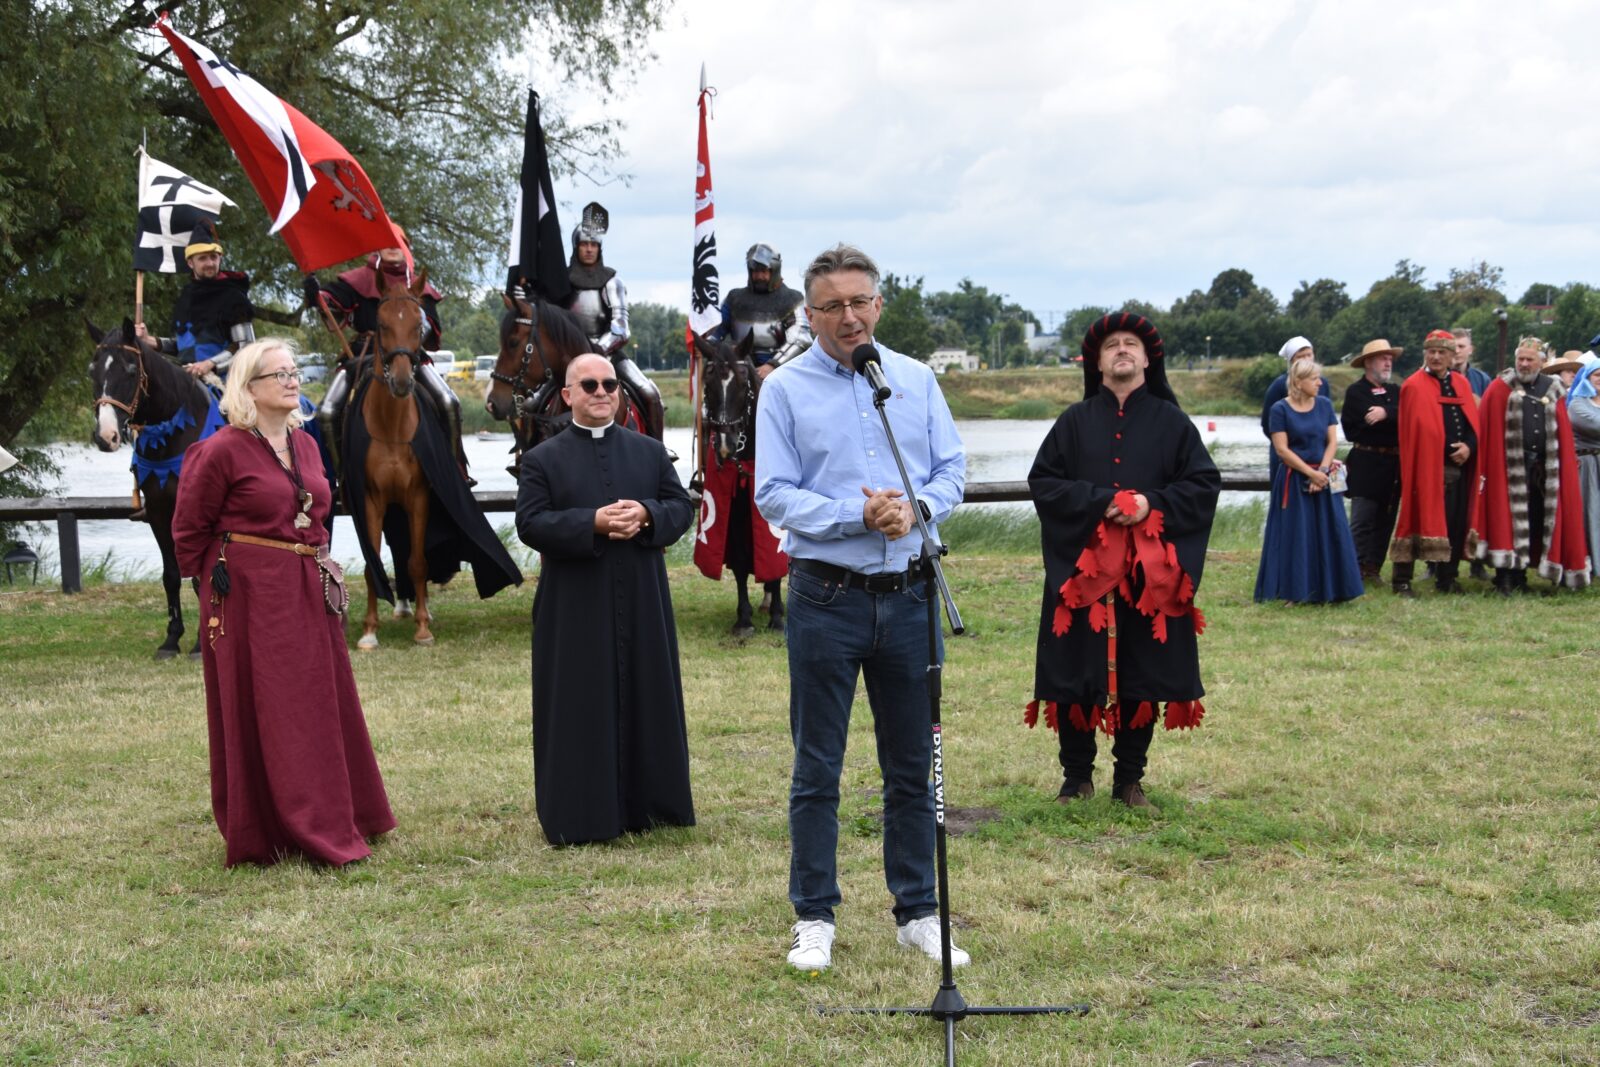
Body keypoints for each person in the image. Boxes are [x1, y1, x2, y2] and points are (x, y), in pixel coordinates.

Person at [754, 244, 968, 973]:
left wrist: (919, 509)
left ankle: (919, 911)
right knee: (819, 765)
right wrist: (857, 513)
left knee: (913, 764)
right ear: (809, 315)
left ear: (879, 305)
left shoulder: (913, 379)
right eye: (832, 306)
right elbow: (775, 494)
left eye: (860, 301)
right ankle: (814, 915)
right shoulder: (783, 391)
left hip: (910, 597)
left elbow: (952, 471)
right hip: (827, 598)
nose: (849, 316)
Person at [171, 339, 395, 867]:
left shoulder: (308, 445)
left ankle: (342, 812)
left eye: (295, 372)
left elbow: (319, 515)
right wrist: (219, 590)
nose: (294, 381)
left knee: (319, 700)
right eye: (280, 374)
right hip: (246, 596)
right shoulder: (221, 449)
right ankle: (277, 825)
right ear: (249, 388)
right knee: (271, 706)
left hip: (304, 586)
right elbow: (189, 532)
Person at [1026, 313, 1220, 808]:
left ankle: (1129, 780)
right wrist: (1100, 502)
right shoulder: (1073, 422)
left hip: (1145, 578)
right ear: (1097, 360)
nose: (1121, 351)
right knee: (1075, 672)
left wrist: (1151, 504)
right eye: (1111, 345)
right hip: (1083, 573)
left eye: (1130, 344)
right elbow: (1044, 483)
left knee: (1143, 670)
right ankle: (1076, 779)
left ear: (1148, 358)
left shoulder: (1172, 423)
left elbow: (1201, 485)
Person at [514, 353, 696, 846]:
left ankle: (654, 805)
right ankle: (581, 813)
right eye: (589, 385)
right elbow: (529, 524)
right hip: (573, 605)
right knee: (578, 702)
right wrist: (590, 522)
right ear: (568, 395)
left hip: (642, 597)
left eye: (610, 385)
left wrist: (648, 514)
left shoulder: (650, 452)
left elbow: (682, 507)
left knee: (647, 689)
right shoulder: (540, 460)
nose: (601, 392)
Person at [305, 236, 471, 483]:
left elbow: (431, 329)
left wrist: (409, 327)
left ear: (407, 249)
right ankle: (339, 476)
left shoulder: (417, 285)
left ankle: (453, 472)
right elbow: (331, 305)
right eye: (386, 240)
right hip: (363, 354)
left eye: (399, 241)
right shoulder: (358, 279)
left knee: (449, 402)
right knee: (328, 411)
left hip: (409, 356)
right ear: (376, 246)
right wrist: (316, 294)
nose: (393, 246)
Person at [1473, 337, 1591, 593]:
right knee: (1508, 521)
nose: (1524, 364)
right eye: (1520, 360)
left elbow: (1562, 431)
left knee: (1537, 520)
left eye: (1529, 360)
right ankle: (1505, 576)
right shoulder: (1499, 388)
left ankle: (1522, 576)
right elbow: (1487, 432)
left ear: (1542, 362)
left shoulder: (1554, 389)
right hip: (1507, 468)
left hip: (1543, 470)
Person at [1255, 358, 1364, 603]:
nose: (1319, 382)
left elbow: (1332, 442)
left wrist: (1322, 472)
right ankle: (1294, 590)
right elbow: (1282, 450)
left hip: (1324, 476)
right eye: (1314, 378)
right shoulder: (1280, 409)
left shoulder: (1324, 405)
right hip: (1294, 479)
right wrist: (1309, 473)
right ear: (1299, 381)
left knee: (1331, 529)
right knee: (1297, 533)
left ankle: (1335, 589)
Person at [564, 202, 666, 442]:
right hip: (567, 358)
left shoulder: (612, 281)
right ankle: (525, 455)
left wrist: (597, 350)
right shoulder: (562, 282)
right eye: (584, 245)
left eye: (594, 245)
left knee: (650, 394)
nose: (589, 249)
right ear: (576, 247)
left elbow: (621, 329)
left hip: (608, 355)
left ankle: (657, 450)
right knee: (529, 400)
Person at [1389, 330, 1480, 597]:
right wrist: (1441, 450)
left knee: (1454, 523)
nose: (1436, 357)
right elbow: (1416, 431)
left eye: (1442, 352)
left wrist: (1469, 447)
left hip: (1460, 468)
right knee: (1414, 519)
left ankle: (1447, 578)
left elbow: (1473, 424)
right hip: (1426, 468)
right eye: (1432, 352)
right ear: (1425, 354)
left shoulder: (1462, 385)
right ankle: (1401, 580)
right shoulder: (1413, 385)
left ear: (1453, 356)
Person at [135, 218, 255, 380]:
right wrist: (150, 341)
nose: (210, 263)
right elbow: (184, 346)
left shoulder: (233, 297)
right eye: (203, 258)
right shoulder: (186, 297)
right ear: (190, 263)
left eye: (214, 257)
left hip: (228, 383)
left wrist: (210, 364)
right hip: (187, 380)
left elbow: (246, 346)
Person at [1340, 339, 1403, 582]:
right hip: (1366, 461)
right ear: (1368, 363)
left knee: (1385, 519)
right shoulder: (1356, 392)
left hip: (1392, 464)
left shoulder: (1396, 391)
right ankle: (1353, 567)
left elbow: (1407, 413)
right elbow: (1354, 428)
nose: (1388, 362)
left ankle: (1373, 567)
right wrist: (1390, 420)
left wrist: (1386, 413)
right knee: (1362, 518)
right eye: (1382, 358)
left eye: (1390, 358)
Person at [714, 243, 812, 379]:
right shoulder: (734, 298)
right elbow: (716, 330)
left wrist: (773, 365)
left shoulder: (792, 299)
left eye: (763, 271)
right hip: (739, 369)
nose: (759, 276)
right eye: (755, 271)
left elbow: (800, 338)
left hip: (783, 371)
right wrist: (707, 343)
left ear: (774, 270)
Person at [1260, 336, 1331, 481]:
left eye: (1309, 355)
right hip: (1287, 458)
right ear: (1291, 360)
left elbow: (1327, 422)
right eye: (1300, 356)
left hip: (1317, 455)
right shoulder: (1279, 386)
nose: (1306, 359)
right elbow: (1268, 425)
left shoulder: (1322, 384)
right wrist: (1294, 449)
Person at [1565, 354, 1600, 580]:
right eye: (1597, 375)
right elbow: (1595, 425)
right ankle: (1593, 564)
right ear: (1587, 377)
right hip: (1587, 465)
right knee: (1590, 512)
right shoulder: (1578, 403)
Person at [1451, 327, 1492, 396]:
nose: (1456, 351)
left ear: (1470, 350)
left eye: (1461, 346)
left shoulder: (1482, 380)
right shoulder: (1438, 377)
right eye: (1453, 347)